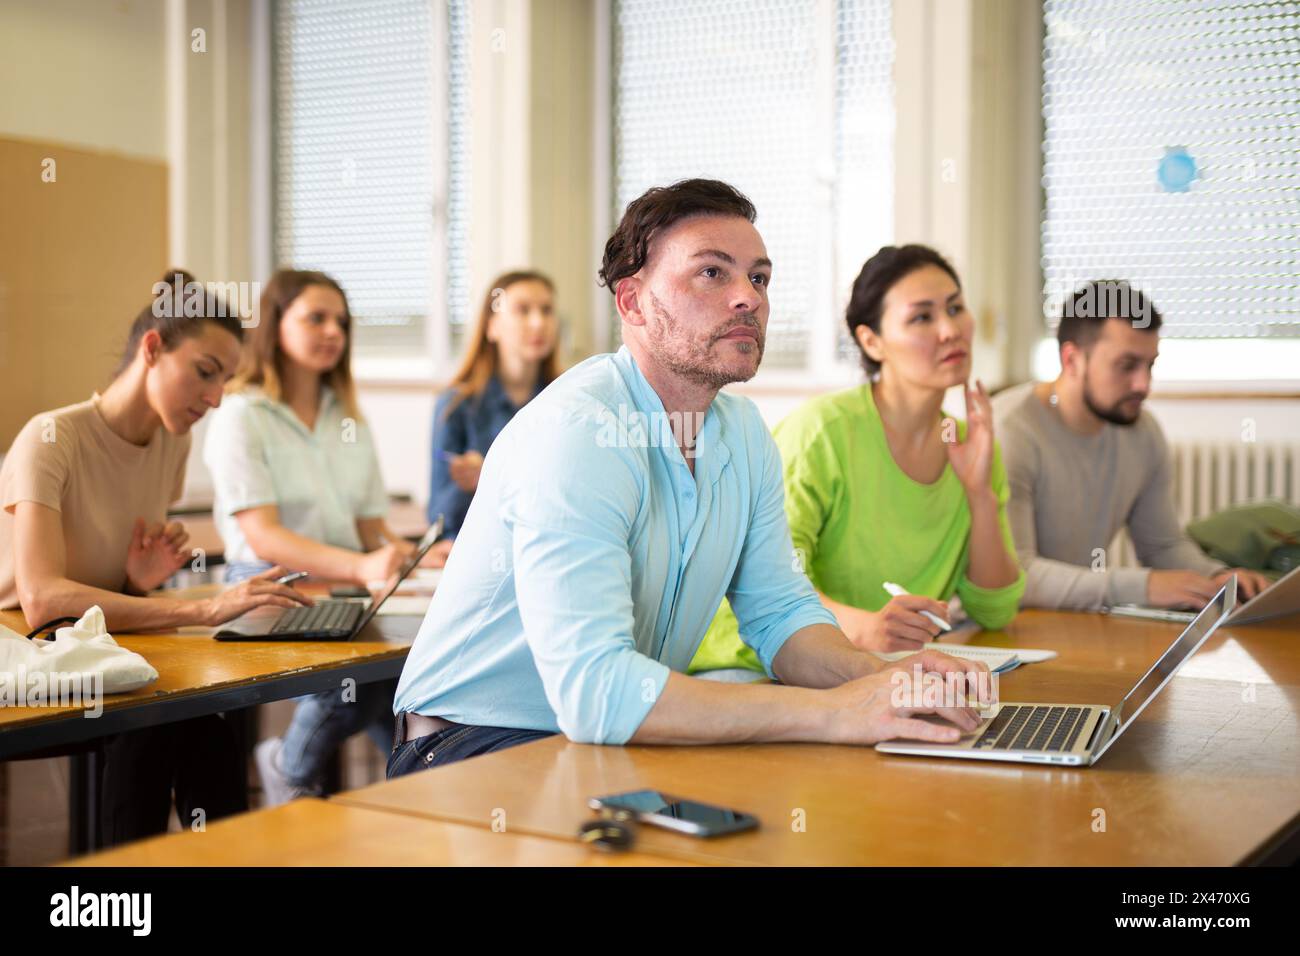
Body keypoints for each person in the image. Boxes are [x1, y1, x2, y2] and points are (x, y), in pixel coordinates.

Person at [389, 179, 990, 777]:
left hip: (600, 738)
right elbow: (595, 691)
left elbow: (779, 612)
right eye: (712, 273)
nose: (748, 298)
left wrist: (885, 678)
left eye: (759, 278)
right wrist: (833, 713)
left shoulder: (742, 431)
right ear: (632, 303)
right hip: (469, 747)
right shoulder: (579, 431)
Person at [0, 270, 310, 843]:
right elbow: (42, 599)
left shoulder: (172, 442)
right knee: (151, 725)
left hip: (85, 656)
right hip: (21, 667)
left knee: (207, 729)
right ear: (152, 349)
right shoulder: (50, 439)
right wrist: (202, 610)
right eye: (205, 373)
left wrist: (136, 582)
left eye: (225, 382)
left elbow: (95, 601)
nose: (216, 399)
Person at [692, 244, 1024, 677]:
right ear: (871, 341)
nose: (949, 330)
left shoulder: (969, 444)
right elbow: (766, 588)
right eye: (922, 317)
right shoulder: (824, 432)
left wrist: (980, 493)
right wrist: (866, 630)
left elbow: (994, 609)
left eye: (956, 308)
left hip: (873, 669)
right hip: (751, 664)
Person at [203, 269, 414, 804]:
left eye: (340, 321)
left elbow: (371, 529)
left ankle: (407, 793)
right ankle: (289, 767)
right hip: (268, 582)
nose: (332, 332)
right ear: (275, 326)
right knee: (347, 686)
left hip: (342, 581)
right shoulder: (241, 412)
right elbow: (265, 536)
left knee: (408, 679)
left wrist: (418, 554)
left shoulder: (348, 418)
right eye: (315, 318)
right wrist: (363, 566)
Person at [991, 280, 1271, 611]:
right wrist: (1143, 586)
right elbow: (1016, 577)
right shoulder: (1009, 432)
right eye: (1127, 365)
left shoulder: (1142, 432)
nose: (1143, 384)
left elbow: (1163, 546)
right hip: (1001, 631)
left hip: (1076, 624)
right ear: (1072, 360)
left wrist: (1218, 578)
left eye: (1150, 365)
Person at [427, 270, 560, 554]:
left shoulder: (568, 402)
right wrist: (469, 486)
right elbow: (439, 518)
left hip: (548, 551)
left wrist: (491, 476)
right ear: (492, 326)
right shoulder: (455, 405)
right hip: (478, 554)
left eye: (546, 310)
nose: (538, 323)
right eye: (522, 310)